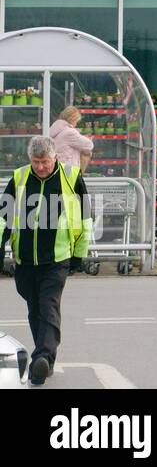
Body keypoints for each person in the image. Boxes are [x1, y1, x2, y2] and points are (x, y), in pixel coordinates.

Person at [1, 136, 91, 386]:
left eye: (45, 162)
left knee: (48, 306)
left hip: (57, 258)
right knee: (35, 308)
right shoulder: (19, 178)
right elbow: (3, 217)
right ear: (30, 159)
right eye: (36, 161)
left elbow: (85, 218)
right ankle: (46, 359)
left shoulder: (71, 178)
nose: (40, 167)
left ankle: (41, 357)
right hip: (26, 259)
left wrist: (79, 254)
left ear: (55, 158)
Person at [48, 106, 94, 171]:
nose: (76, 124)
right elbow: (89, 145)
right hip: (68, 169)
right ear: (73, 119)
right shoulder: (69, 132)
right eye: (76, 121)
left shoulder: (56, 129)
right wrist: (87, 138)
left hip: (57, 166)